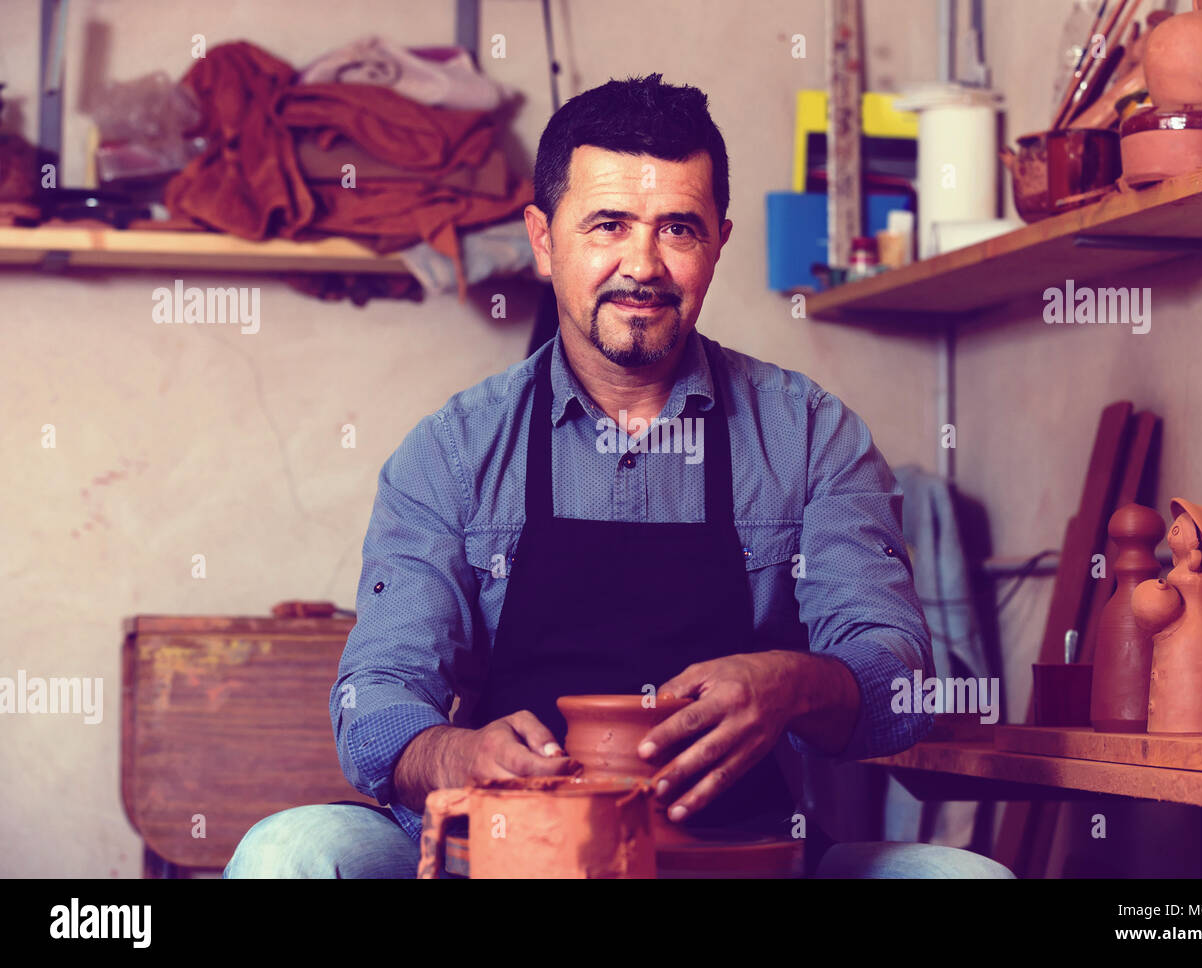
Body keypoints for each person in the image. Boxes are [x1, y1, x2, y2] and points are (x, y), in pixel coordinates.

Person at [226, 73, 1012, 879]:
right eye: (608, 225)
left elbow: (901, 677)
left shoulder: (811, 435)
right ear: (543, 236)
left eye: (678, 228)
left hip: (736, 857)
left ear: (718, 241)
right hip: (505, 857)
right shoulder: (453, 452)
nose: (643, 266)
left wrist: (793, 683)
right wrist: (455, 755)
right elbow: (377, 698)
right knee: (289, 855)